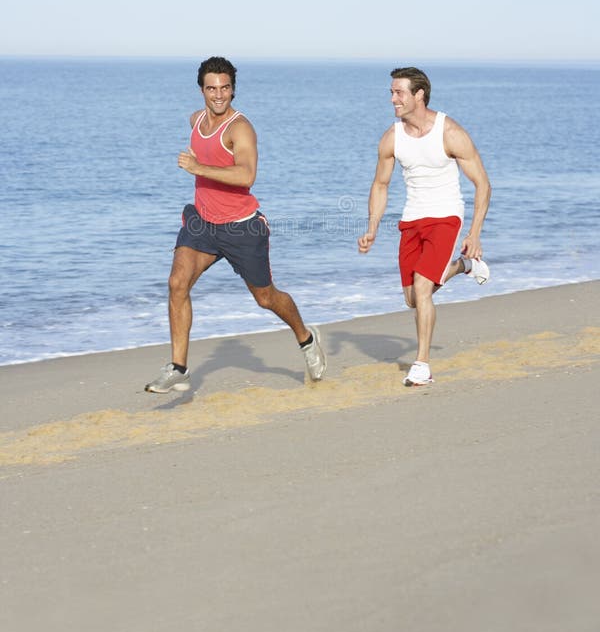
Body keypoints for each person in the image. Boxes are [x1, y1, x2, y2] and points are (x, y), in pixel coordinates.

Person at [145, 56, 327, 393]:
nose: (218, 95)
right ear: (201, 89)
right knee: (176, 284)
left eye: (225, 88)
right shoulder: (196, 119)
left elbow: (246, 175)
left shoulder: (241, 128)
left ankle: (306, 337)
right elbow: (203, 145)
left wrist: (199, 168)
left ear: (233, 90)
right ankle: (179, 367)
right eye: (211, 88)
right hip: (203, 223)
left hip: (242, 227)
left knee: (266, 298)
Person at [358, 66, 491, 386]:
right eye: (391, 92)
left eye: (399, 92)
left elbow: (482, 184)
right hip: (412, 219)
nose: (393, 98)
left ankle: (422, 365)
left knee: (422, 287)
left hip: (446, 217)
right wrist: (372, 228)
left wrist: (474, 233)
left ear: (419, 95)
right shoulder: (392, 137)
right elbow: (380, 185)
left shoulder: (450, 132)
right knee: (413, 299)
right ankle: (463, 267)